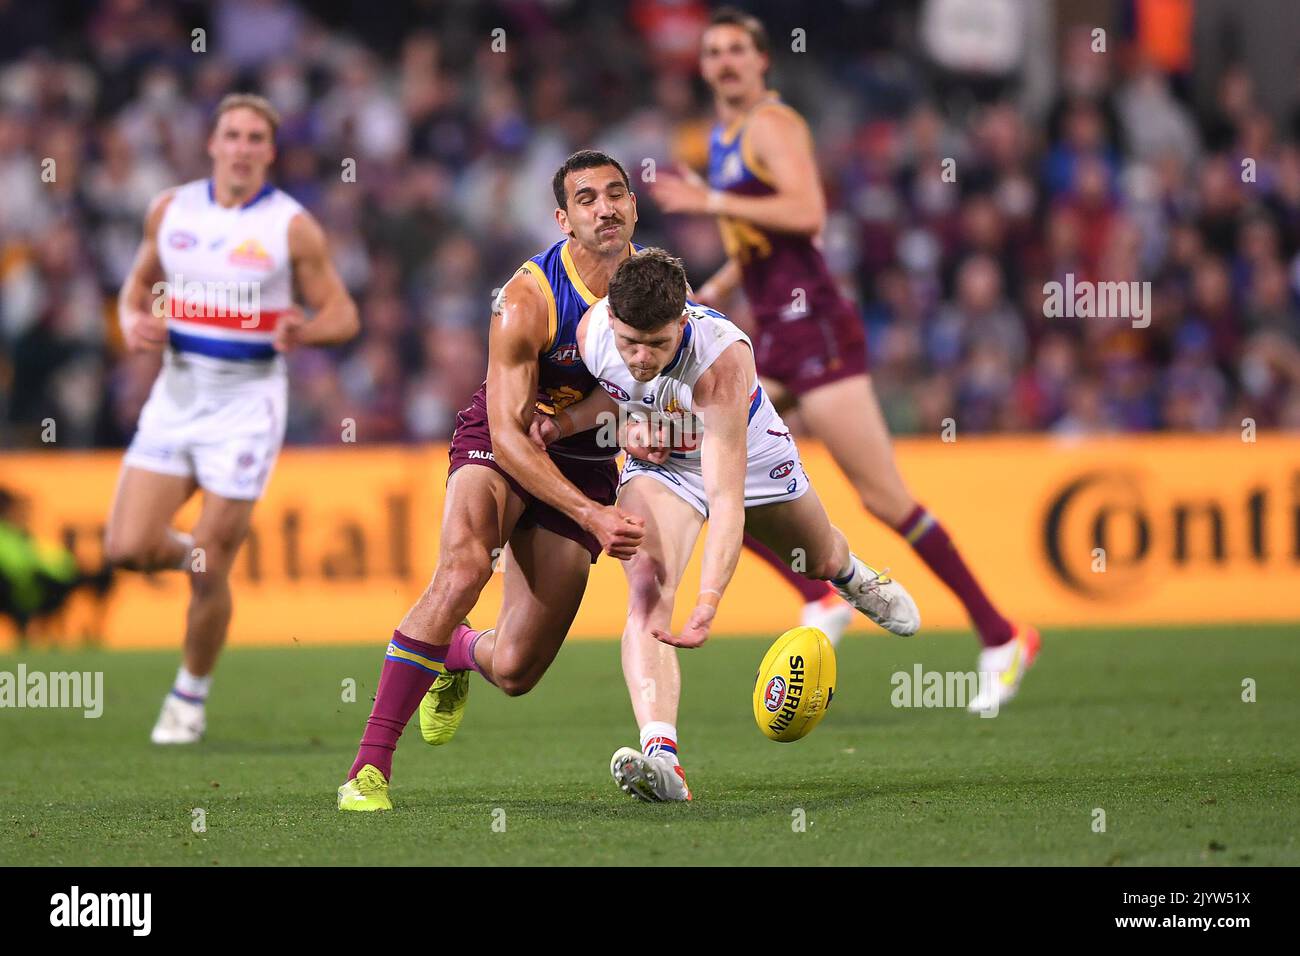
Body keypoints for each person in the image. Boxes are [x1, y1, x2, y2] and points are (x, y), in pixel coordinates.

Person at [651, 8, 1039, 714]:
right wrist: (711, 290)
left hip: (816, 327)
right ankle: (820, 596)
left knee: (883, 497)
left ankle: (1001, 633)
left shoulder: (774, 125)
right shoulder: (726, 134)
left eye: (739, 50)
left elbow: (805, 212)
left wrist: (707, 198)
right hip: (774, 328)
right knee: (706, 464)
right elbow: (754, 239)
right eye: (714, 52)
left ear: (763, 62)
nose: (726, 62)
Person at [533, 248, 918, 801]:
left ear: (683, 321)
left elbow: (726, 499)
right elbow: (615, 397)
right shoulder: (596, 332)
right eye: (630, 342)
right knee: (647, 594)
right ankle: (662, 758)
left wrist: (709, 603)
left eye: (657, 345)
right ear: (611, 319)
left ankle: (854, 577)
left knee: (819, 556)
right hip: (663, 469)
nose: (641, 357)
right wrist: (589, 426)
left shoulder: (721, 362)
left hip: (745, 457)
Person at [337, 150, 647, 811]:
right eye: (587, 198)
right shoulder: (526, 298)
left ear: (634, 207)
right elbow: (509, 435)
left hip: (585, 456)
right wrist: (593, 517)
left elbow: (639, 393)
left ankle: (454, 653)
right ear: (563, 219)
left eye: (616, 193)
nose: (606, 207)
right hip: (502, 437)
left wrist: (569, 431)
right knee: (463, 569)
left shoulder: (651, 294)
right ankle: (368, 771)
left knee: (513, 670)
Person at [106, 93, 359, 744]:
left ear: (269, 153)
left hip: (247, 409)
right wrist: (133, 319)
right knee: (127, 547)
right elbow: (135, 289)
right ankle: (205, 557)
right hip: (178, 397)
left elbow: (344, 314)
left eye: (256, 138)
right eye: (233, 135)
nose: (243, 147)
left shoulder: (290, 226)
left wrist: (306, 331)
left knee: (206, 571)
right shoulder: (170, 210)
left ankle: (188, 697)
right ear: (212, 143)